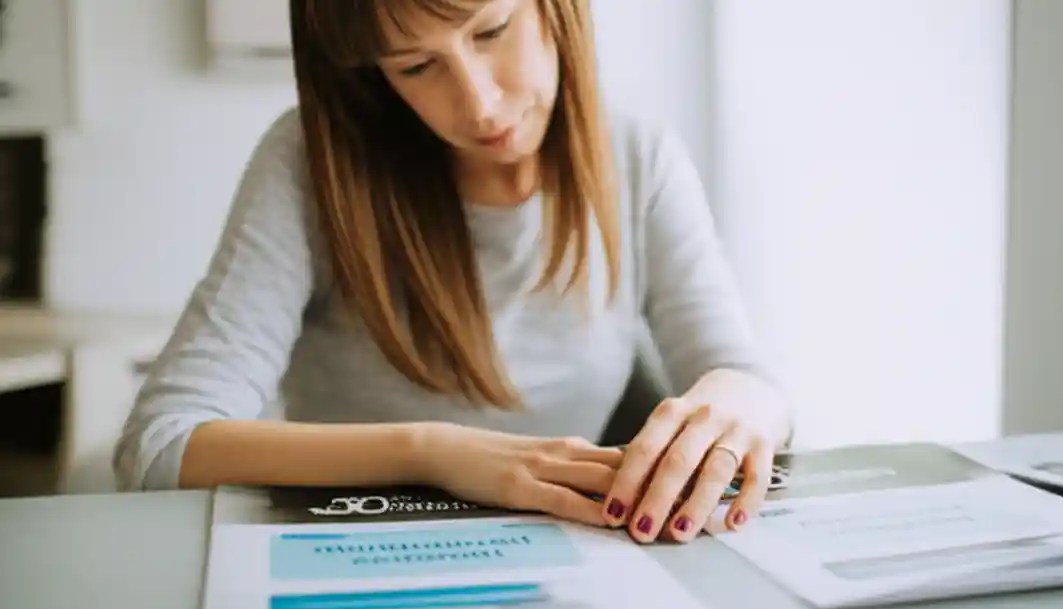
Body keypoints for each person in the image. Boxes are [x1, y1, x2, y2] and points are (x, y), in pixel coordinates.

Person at [114, 0, 791, 545]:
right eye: (414, 67)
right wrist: (433, 454)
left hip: (568, 564)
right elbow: (163, 444)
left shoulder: (641, 161)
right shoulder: (309, 168)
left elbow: (746, 380)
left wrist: (743, 398)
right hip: (356, 557)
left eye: (492, 30)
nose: (479, 103)